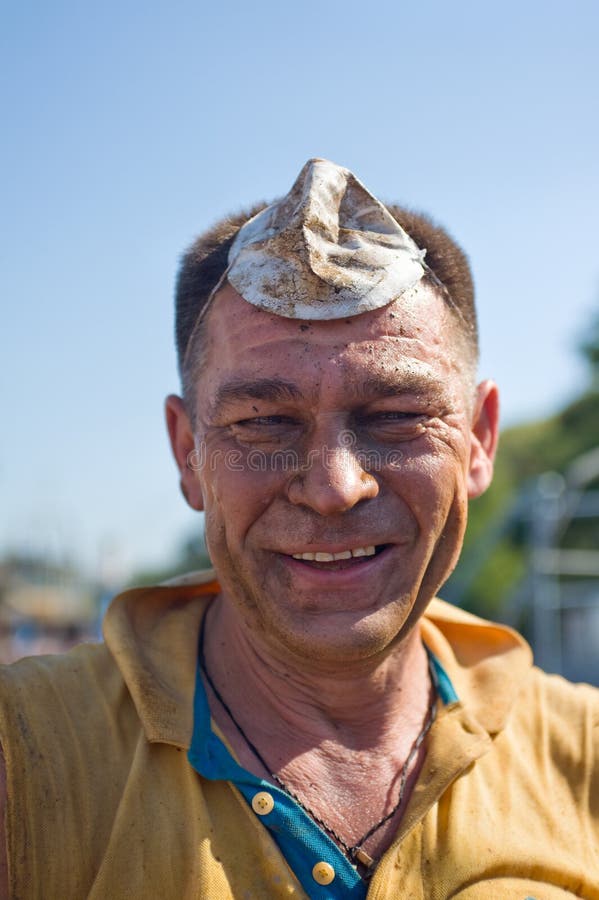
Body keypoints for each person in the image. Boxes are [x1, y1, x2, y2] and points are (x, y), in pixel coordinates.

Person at [0, 159, 597, 899]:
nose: (335, 487)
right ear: (188, 453)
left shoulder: (582, 758)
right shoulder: (26, 759)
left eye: (396, 416)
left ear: (478, 438)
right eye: (262, 423)